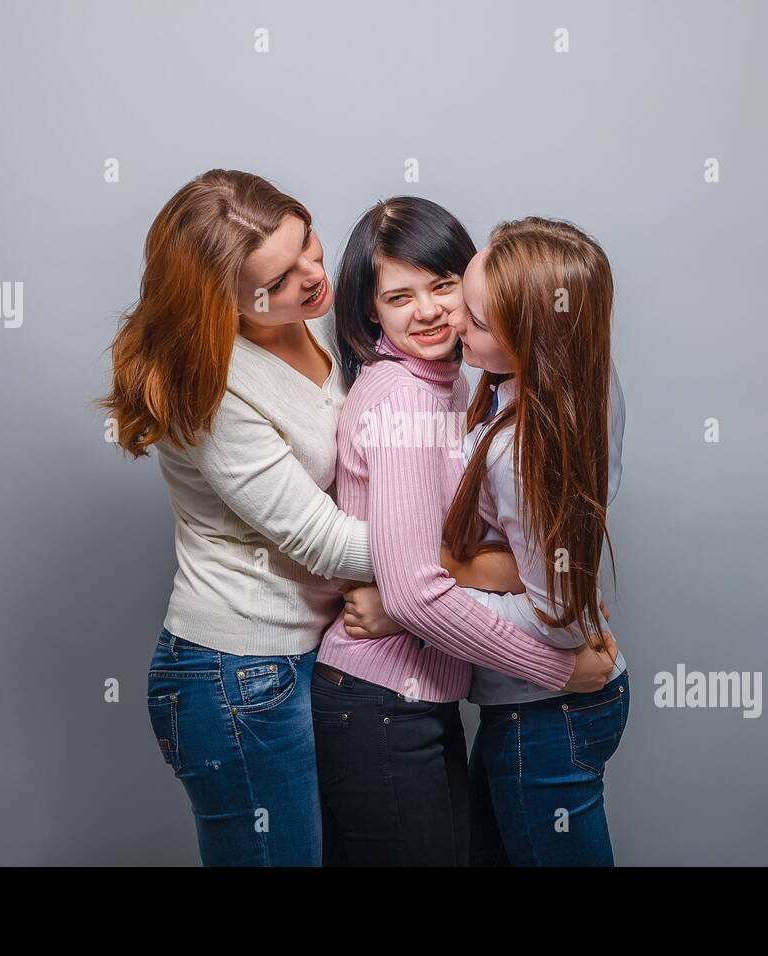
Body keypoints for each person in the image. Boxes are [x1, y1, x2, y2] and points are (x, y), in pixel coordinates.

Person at [310, 196, 619, 866]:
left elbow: (473, 550)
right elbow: (419, 592)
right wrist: (560, 670)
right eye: (399, 296)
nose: (428, 312)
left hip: (411, 696)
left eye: (444, 287)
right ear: (370, 310)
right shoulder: (405, 398)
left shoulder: (461, 385)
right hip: (380, 697)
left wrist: (476, 569)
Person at [95, 169, 376, 866]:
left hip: (306, 657)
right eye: (279, 280)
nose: (313, 276)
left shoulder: (308, 322)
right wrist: (475, 562)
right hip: (239, 677)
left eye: (307, 243)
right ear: (220, 300)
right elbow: (325, 542)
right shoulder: (215, 385)